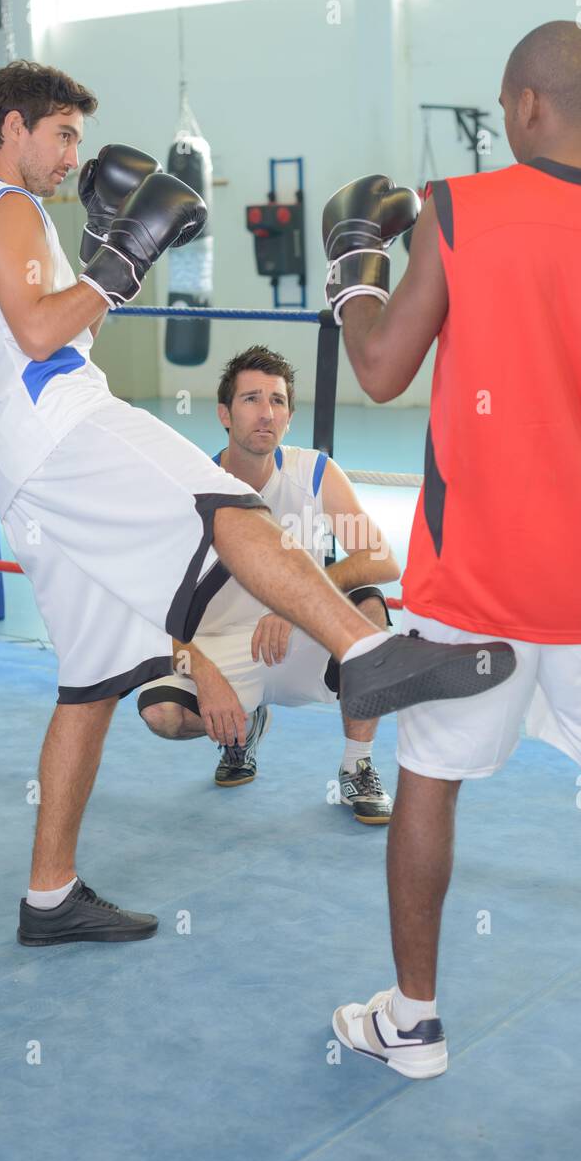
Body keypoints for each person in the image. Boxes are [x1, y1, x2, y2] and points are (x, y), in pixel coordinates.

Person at [0, 60, 515, 949]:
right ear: (10, 126)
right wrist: (125, 257)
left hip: (23, 462)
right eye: (61, 135)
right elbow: (45, 335)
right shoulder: (5, 208)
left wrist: (103, 259)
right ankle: (370, 652)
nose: (71, 154)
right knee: (230, 510)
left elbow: (64, 326)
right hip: (68, 430)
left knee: (88, 688)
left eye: (78, 137)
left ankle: (49, 896)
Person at [323, 21, 581, 1090]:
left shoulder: (461, 209)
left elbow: (377, 368)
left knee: (431, 778)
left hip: (475, 577)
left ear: (530, 104)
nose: (504, 125)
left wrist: (351, 274)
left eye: (507, 108)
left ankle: (413, 1023)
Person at [137, 346, 399, 824]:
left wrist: (297, 599)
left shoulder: (315, 473)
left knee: (370, 609)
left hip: (300, 639)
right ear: (224, 413)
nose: (265, 413)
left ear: (289, 417)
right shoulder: (190, 488)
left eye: (277, 402)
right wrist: (205, 673)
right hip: (222, 648)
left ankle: (356, 765)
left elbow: (382, 558)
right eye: (251, 399)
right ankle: (246, 723)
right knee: (162, 715)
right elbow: (155, 603)